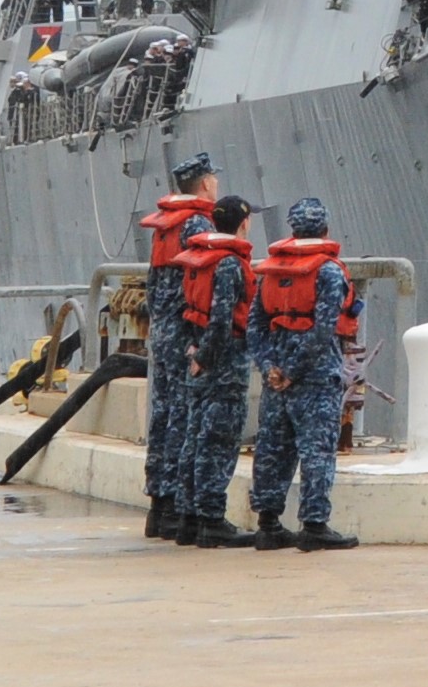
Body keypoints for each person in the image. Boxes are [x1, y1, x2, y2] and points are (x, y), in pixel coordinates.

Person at [248, 196, 361, 549]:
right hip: (313, 377)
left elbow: (255, 325)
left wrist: (270, 368)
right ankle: (314, 526)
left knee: (272, 449)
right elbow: (324, 330)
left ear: (292, 230)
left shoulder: (270, 270)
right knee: (317, 451)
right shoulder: (328, 272)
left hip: (275, 377)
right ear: (324, 230)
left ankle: (268, 525)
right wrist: (294, 372)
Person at [136, 154, 220, 539]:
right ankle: (176, 508)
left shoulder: (166, 228)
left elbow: (153, 287)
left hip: (163, 333)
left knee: (163, 413)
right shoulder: (200, 224)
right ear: (204, 184)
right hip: (185, 335)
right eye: (212, 178)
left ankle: (157, 506)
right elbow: (203, 288)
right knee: (184, 419)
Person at [176, 195, 261, 546]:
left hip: (198, 358)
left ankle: (188, 517)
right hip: (224, 363)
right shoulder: (228, 265)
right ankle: (212, 519)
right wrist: (207, 357)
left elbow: (186, 310)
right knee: (219, 441)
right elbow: (223, 319)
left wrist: (193, 353)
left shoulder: (199, 259)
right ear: (243, 223)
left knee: (194, 438)